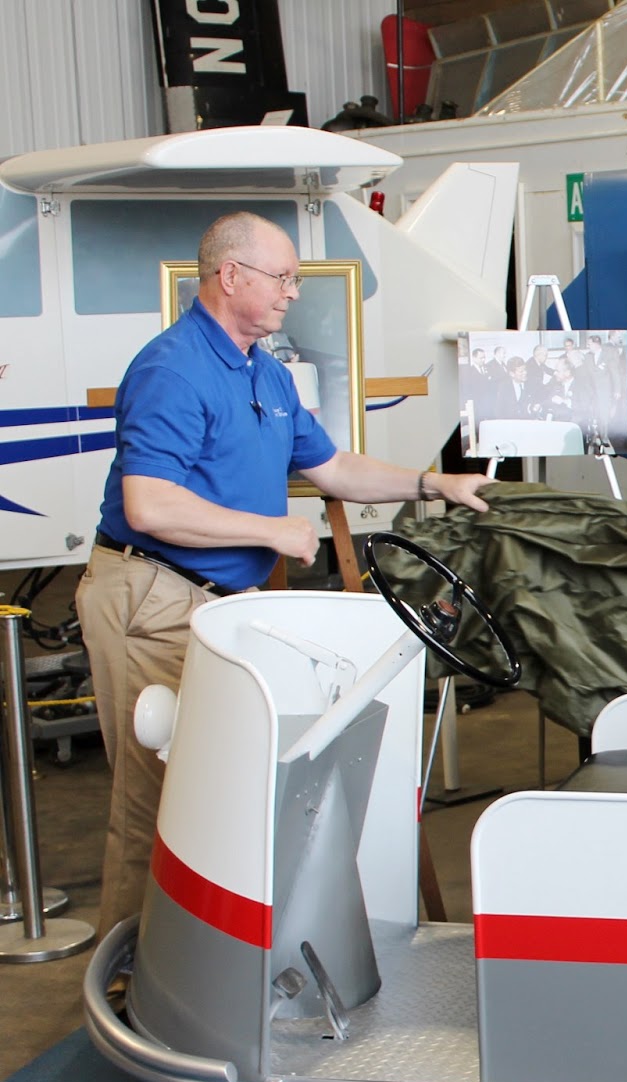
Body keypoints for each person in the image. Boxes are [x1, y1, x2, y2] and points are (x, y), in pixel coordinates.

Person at [77, 211, 496, 944]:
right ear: (230, 276)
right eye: (283, 278)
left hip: (216, 603)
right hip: (150, 595)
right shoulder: (172, 369)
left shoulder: (262, 370)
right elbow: (149, 504)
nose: (294, 293)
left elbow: (333, 466)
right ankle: (128, 983)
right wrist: (270, 530)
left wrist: (433, 483)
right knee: (156, 800)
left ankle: (205, 970)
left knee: (214, 790)